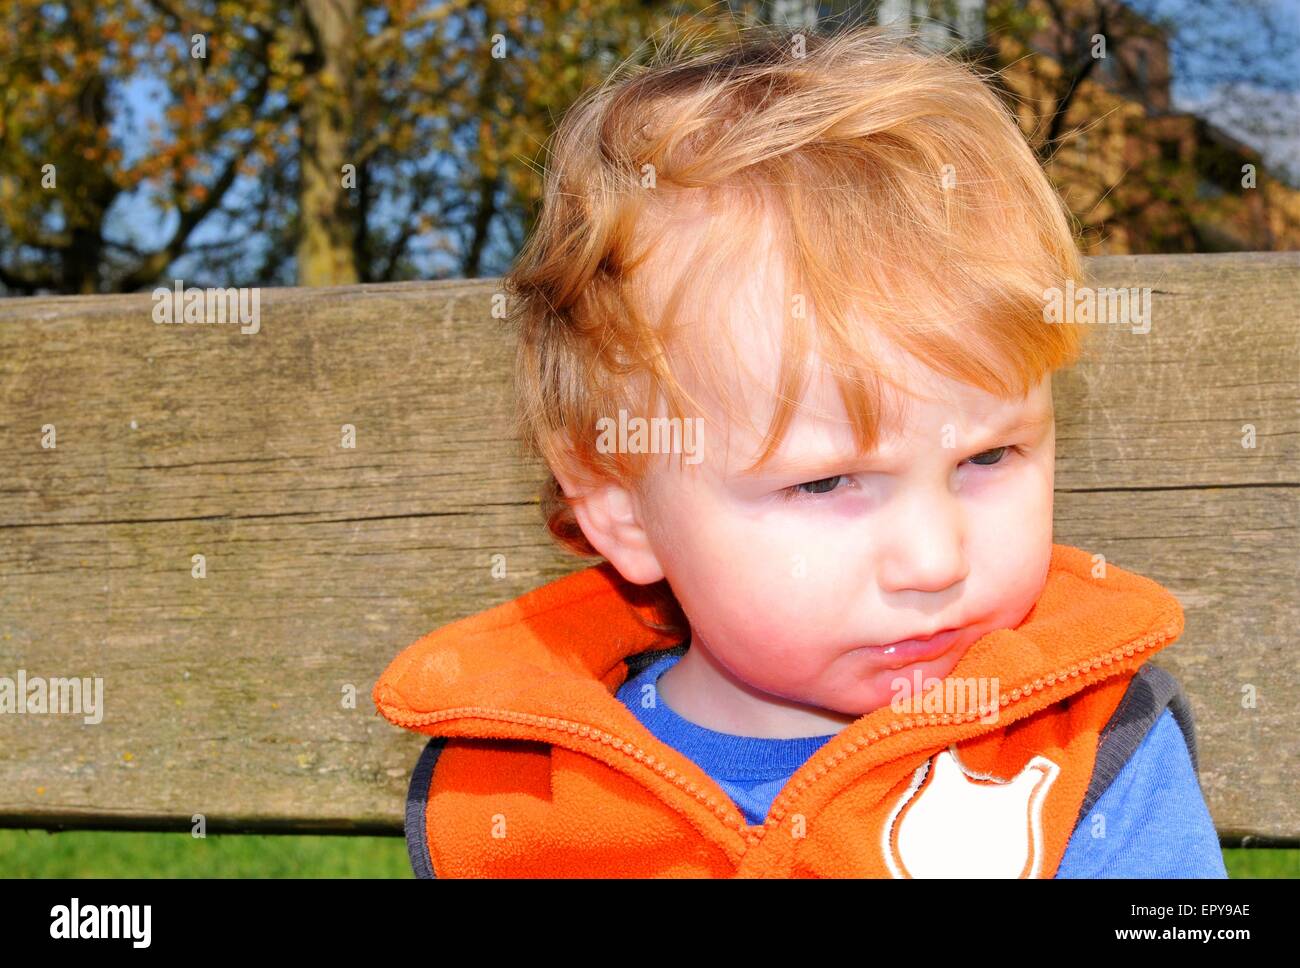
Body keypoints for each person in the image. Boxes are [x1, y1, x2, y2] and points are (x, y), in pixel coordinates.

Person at [374, 22, 1225, 878]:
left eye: (989, 457)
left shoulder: (1088, 741)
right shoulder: (519, 794)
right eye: (824, 484)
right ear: (619, 502)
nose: (933, 560)